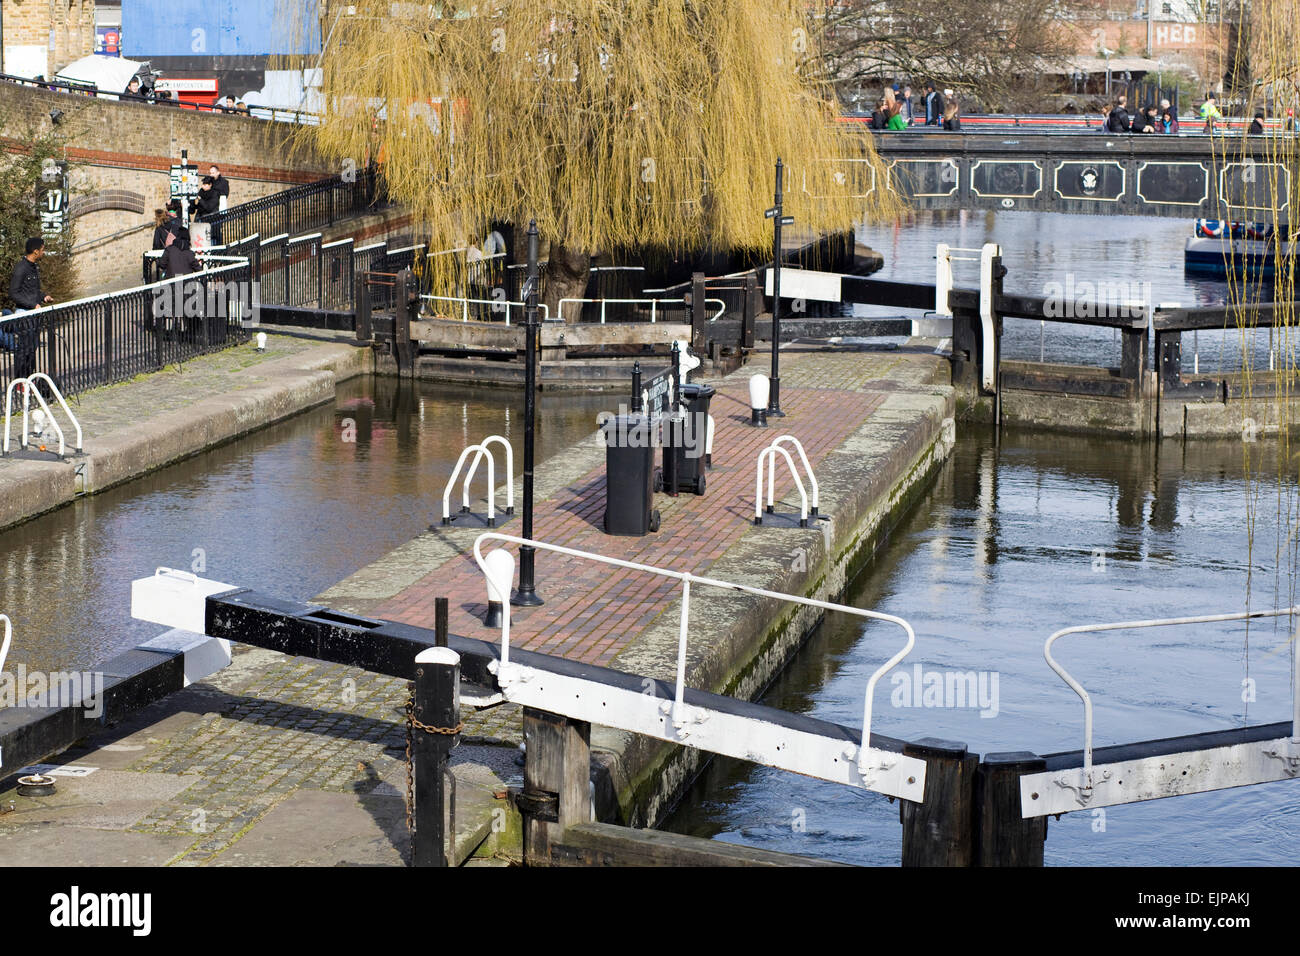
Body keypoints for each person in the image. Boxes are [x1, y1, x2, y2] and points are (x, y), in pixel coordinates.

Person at [6, 237, 54, 379]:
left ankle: (29, 379)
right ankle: (20, 381)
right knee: (24, 349)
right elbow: (13, 293)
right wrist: (32, 305)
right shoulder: (21, 268)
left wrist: (43, 296)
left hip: (34, 315)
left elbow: (32, 291)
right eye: (42, 250)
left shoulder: (34, 267)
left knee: (32, 349)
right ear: (35, 251)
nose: (43, 252)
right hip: (25, 314)